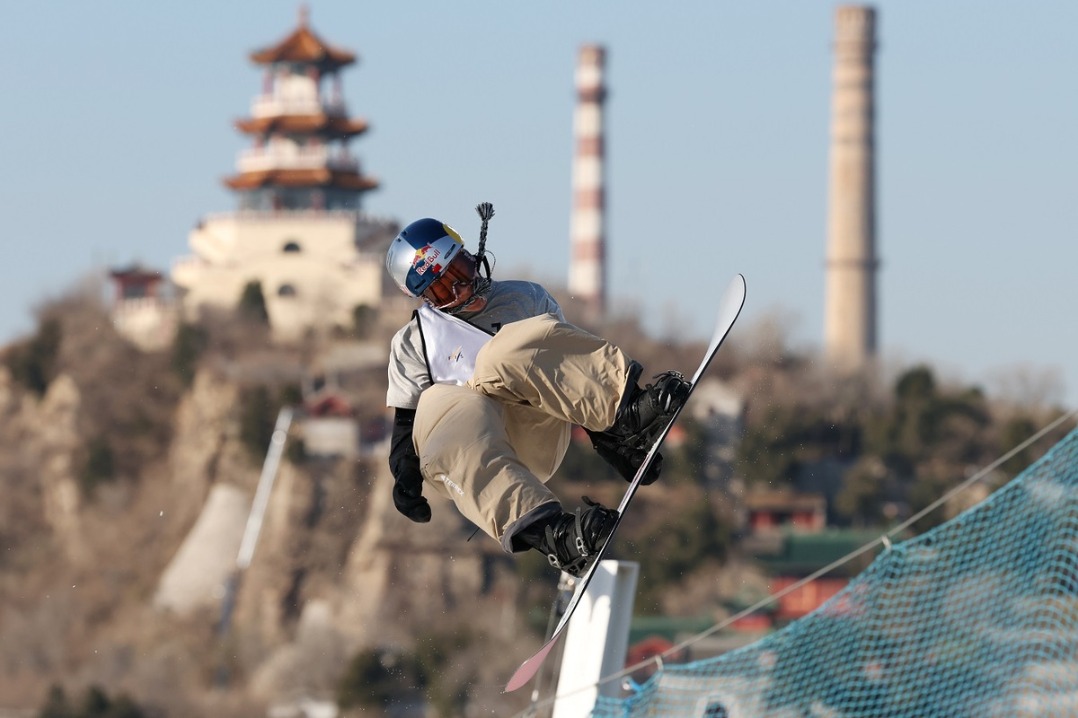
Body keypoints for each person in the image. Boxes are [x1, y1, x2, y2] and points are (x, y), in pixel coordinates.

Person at [384, 205, 690, 577]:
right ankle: (553, 535)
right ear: (426, 299)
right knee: (439, 401)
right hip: (471, 456)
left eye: (461, 270)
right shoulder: (414, 342)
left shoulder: (525, 299)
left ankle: (624, 421)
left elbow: (562, 376)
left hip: (536, 434)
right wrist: (405, 478)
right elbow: (408, 424)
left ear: (470, 255)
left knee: (506, 349)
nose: (462, 287)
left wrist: (617, 447)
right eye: (445, 286)